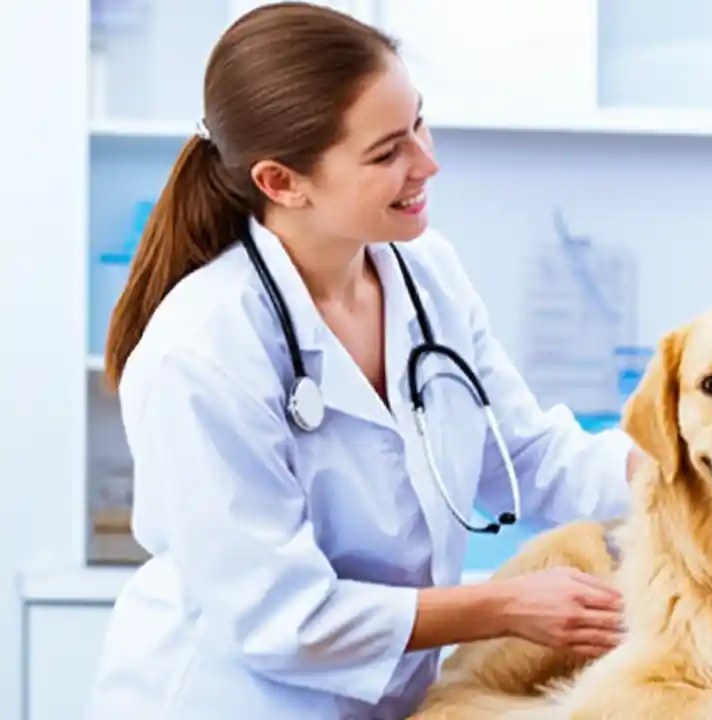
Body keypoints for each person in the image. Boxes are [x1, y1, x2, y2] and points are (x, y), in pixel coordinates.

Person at [86, 4, 638, 718]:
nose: (427, 162)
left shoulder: (424, 272)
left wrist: (690, 472)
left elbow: (523, 455)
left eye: (418, 123)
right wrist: (504, 606)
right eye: (386, 154)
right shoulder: (203, 348)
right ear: (283, 182)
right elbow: (283, 618)